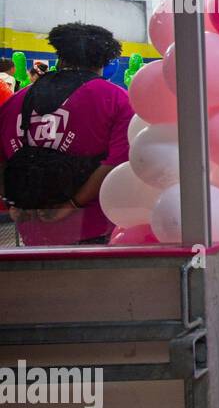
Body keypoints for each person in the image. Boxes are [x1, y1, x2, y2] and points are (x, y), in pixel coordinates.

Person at [0, 23, 133, 246]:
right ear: (105, 61)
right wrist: (71, 204)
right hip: (93, 229)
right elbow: (117, 163)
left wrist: (13, 201)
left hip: (31, 229)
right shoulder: (117, 99)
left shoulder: (16, 99)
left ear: (59, 55)